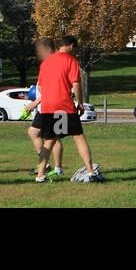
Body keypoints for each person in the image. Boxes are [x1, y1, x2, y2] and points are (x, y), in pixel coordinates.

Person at [34, 36, 102, 183]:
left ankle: (40, 175)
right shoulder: (70, 61)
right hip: (64, 105)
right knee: (78, 137)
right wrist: (81, 103)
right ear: (72, 46)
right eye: (76, 48)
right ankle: (90, 172)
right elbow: (76, 84)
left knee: (49, 140)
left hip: (47, 106)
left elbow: (40, 86)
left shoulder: (46, 62)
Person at [24, 40, 63, 176]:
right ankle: (47, 164)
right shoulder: (46, 64)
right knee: (37, 134)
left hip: (52, 106)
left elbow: (51, 88)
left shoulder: (54, 64)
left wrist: (36, 102)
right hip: (45, 106)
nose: (38, 53)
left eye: (40, 50)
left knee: (53, 137)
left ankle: (54, 167)